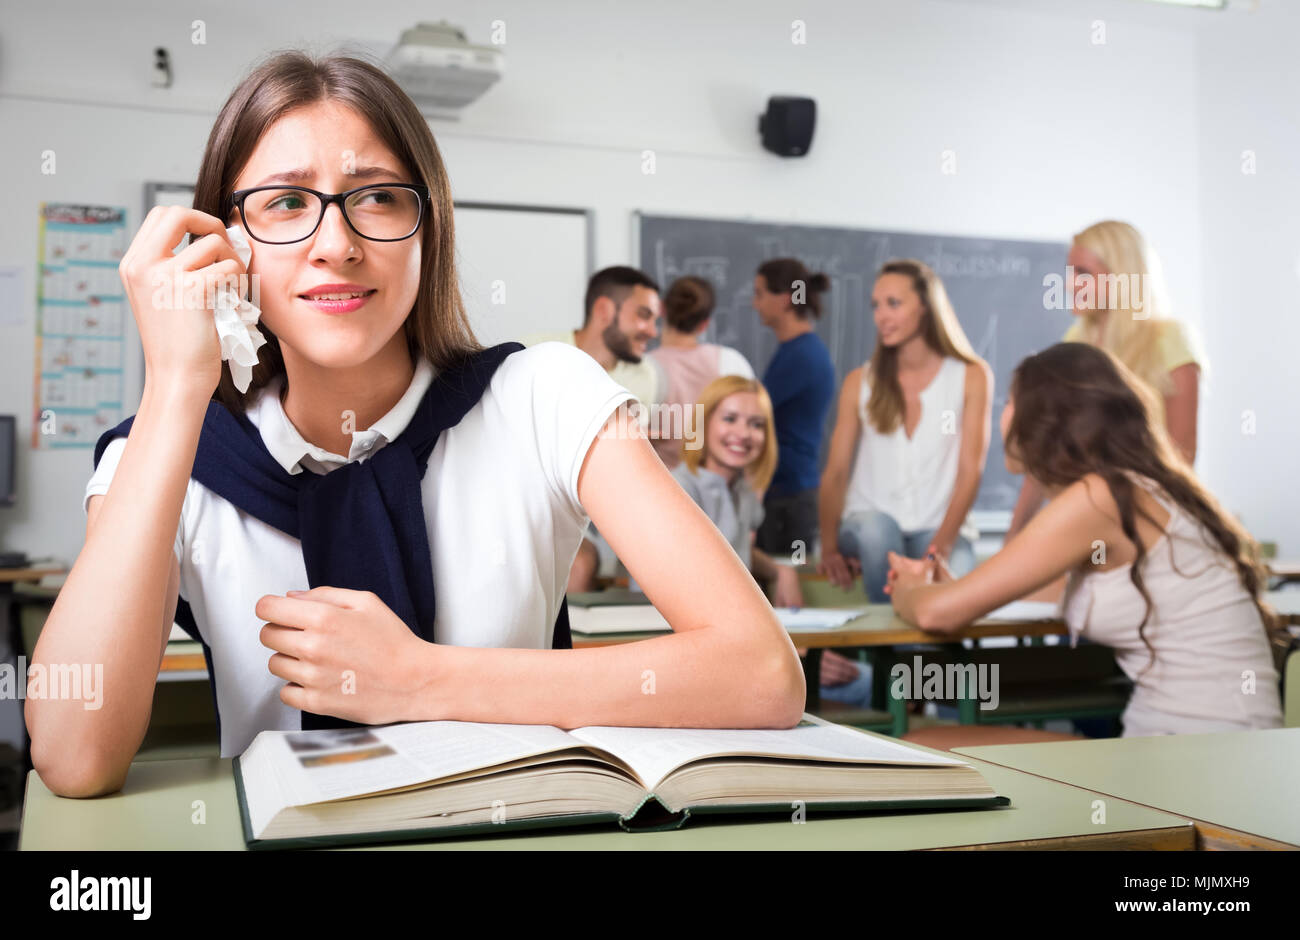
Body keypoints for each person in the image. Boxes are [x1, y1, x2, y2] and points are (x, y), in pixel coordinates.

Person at [28, 52, 804, 799]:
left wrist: (420, 677)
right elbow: (73, 756)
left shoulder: (543, 394)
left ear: (428, 229)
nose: (336, 244)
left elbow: (761, 673)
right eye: (287, 202)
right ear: (228, 246)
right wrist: (174, 388)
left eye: (376, 197)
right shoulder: (164, 452)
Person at [886, 342, 1282, 737]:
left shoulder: (1100, 497)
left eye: (1009, 402)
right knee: (938, 739)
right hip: (1192, 740)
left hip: (1205, 750)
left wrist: (909, 587)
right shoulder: (1132, 491)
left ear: (1045, 419)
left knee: (931, 740)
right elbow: (1034, 593)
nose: (1001, 415)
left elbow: (936, 615)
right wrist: (955, 590)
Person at [671, 376, 873, 707]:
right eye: (730, 419)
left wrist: (780, 570)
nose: (743, 434)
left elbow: (732, 551)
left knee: (873, 680)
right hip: (698, 654)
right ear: (703, 424)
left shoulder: (742, 491)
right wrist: (791, 655)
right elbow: (698, 581)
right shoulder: (679, 488)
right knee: (873, 685)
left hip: (738, 646)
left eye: (756, 424)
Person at [1007, 220, 1205, 540]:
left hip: (1146, 524)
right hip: (1083, 516)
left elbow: (1183, 455)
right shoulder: (1074, 342)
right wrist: (1014, 536)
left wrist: (1139, 530)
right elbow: (1045, 451)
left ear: (1123, 276)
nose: (1071, 285)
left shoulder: (1168, 339)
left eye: (1083, 274)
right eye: (1070, 273)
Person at [819, 260, 992, 602]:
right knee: (878, 531)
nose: (881, 316)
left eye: (893, 304)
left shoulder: (972, 375)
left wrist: (935, 553)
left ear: (926, 307)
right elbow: (836, 472)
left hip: (939, 527)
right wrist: (827, 548)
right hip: (867, 525)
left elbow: (971, 471)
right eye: (876, 305)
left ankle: (910, 654)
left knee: (950, 592)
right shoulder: (860, 382)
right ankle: (891, 647)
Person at [751, 258, 836, 559]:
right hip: (783, 493)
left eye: (760, 294)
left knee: (779, 594)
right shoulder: (795, 351)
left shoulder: (802, 356)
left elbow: (755, 408)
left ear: (785, 299)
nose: (754, 303)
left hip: (788, 498)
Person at [521, 265, 666, 410]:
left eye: (655, 320)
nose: (653, 332)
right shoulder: (532, 352)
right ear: (604, 310)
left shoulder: (643, 377)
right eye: (644, 315)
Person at [648, 275, 755, 468]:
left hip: (661, 489)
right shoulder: (731, 363)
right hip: (716, 489)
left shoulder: (644, 368)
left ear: (661, 308)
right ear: (705, 323)